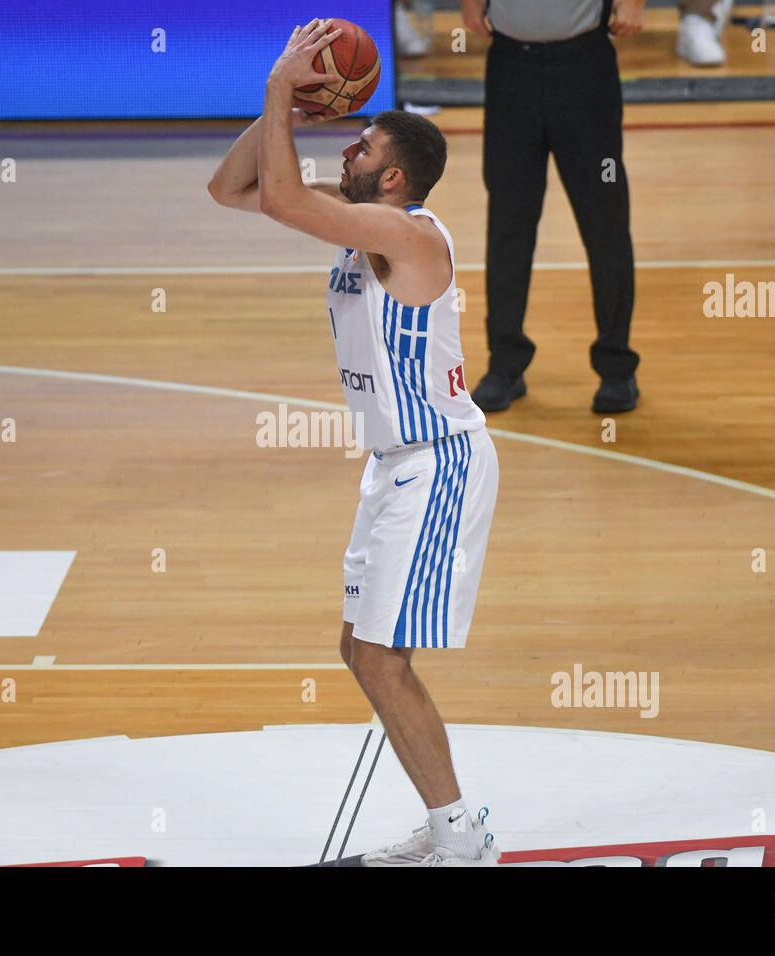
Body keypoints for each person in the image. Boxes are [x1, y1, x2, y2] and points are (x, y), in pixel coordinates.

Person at [208, 20, 502, 866]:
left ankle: (461, 837)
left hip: (439, 462)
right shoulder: (361, 224)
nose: (350, 151)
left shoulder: (409, 235)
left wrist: (277, 89)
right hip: (394, 468)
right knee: (361, 651)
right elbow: (234, 188)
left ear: (395, 175)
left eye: (363, 145)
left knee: (378, 656)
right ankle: (451, 826)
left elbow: (281, 198)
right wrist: (290, 109)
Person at [460, 0, 643, 414]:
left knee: (606, 221)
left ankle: (617, 367)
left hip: (586, 67)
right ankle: (505, 364)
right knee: (508, 222)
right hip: (510, 67)